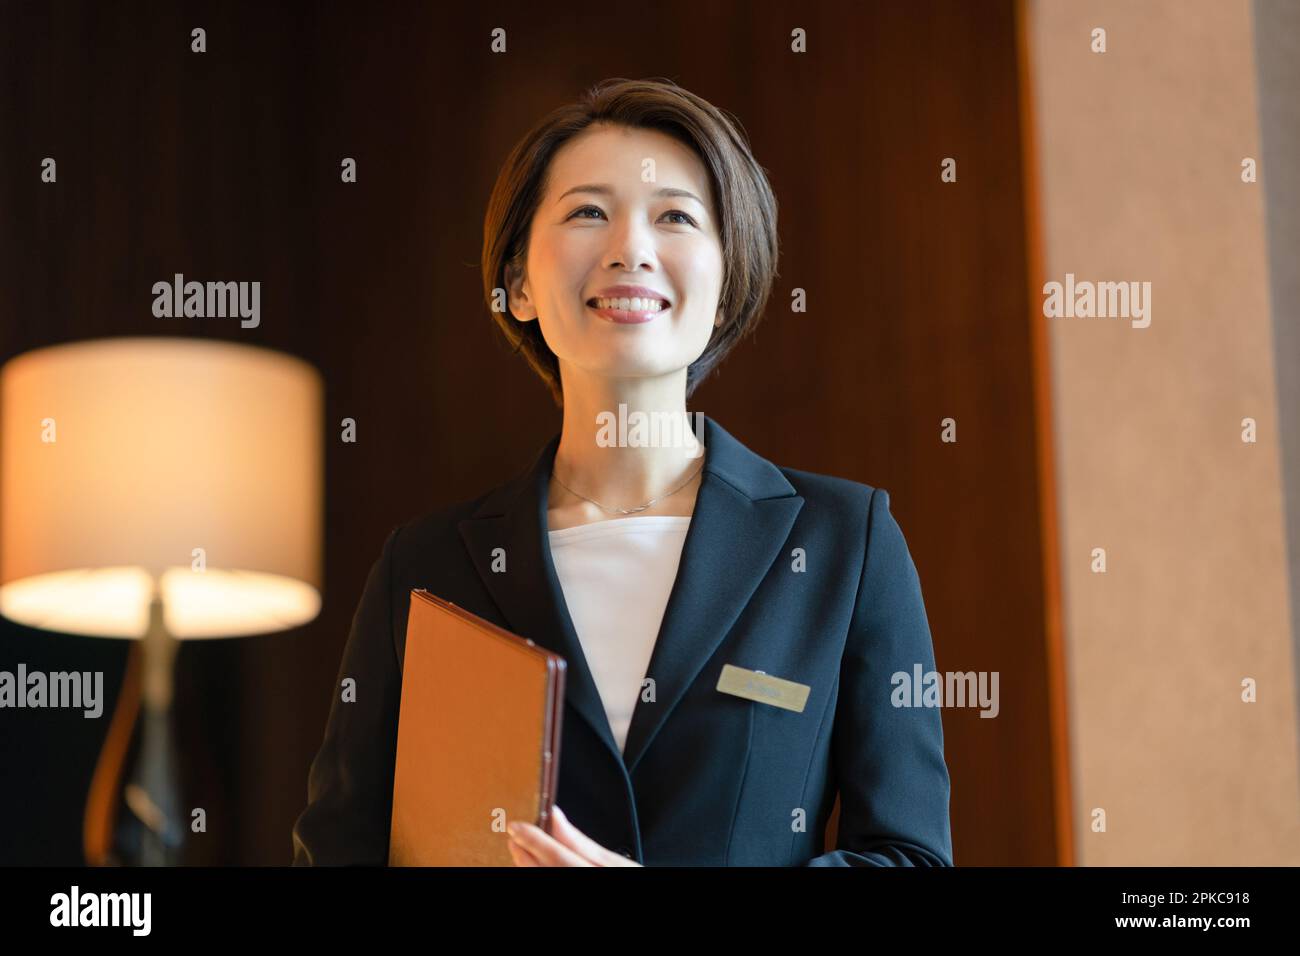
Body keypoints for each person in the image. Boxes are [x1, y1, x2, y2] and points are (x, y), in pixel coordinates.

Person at [292, 77, 952, 867]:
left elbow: (909, 858)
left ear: (726, 281)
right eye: (587, 212)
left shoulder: (845, 545)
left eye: (674, 216)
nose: (629, 248)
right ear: (521, 284)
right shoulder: (424, 569)